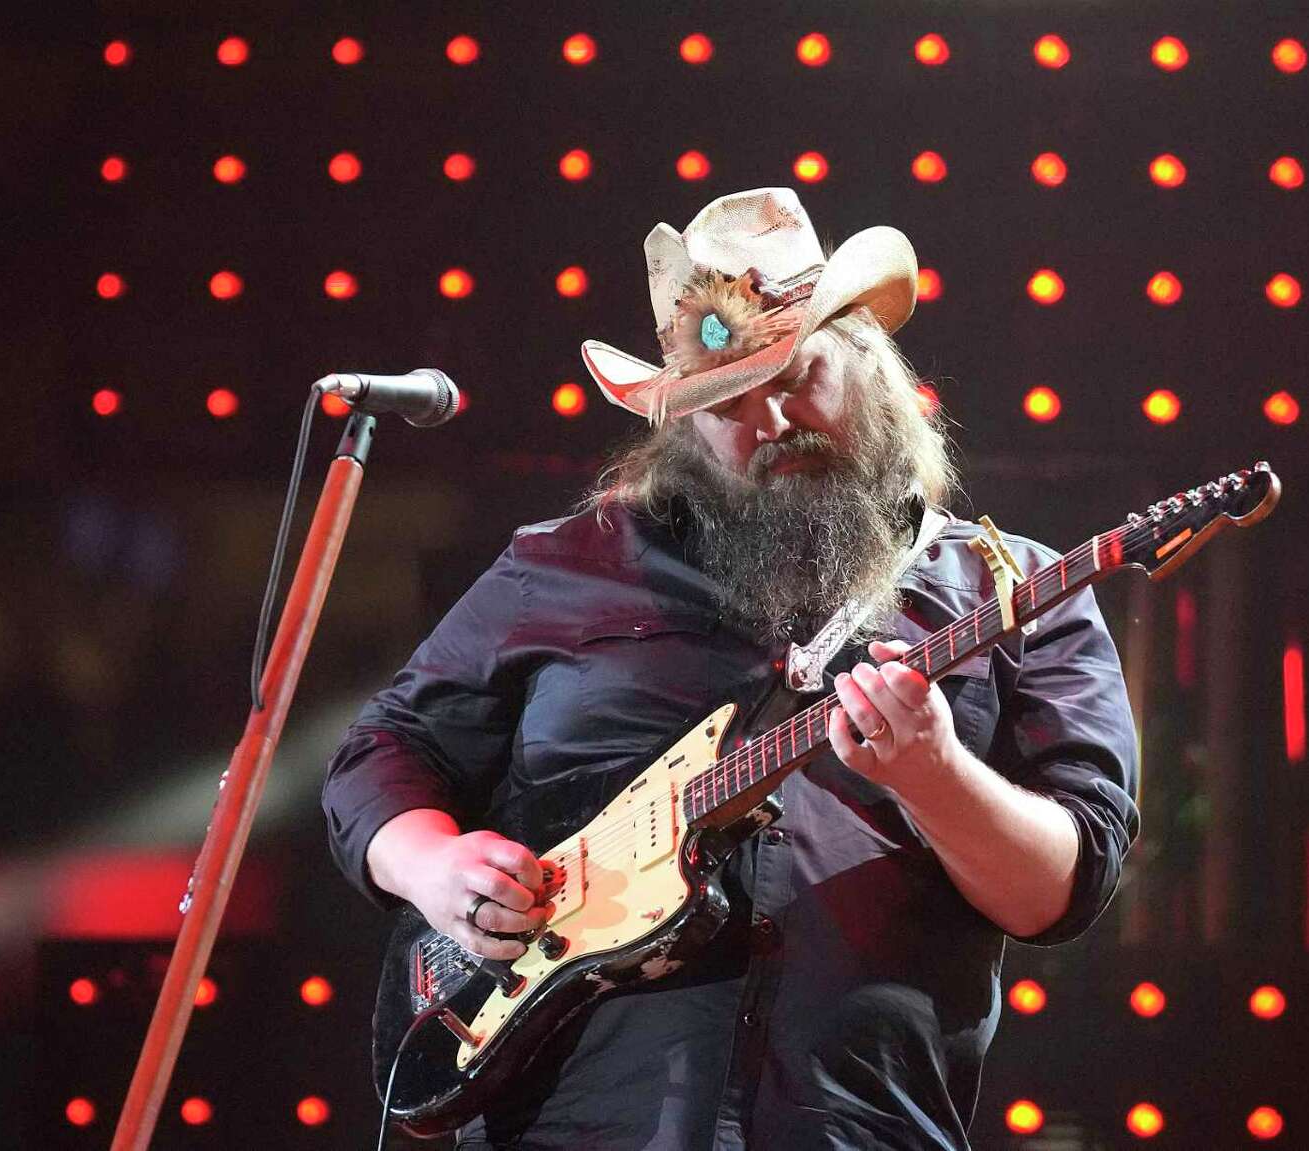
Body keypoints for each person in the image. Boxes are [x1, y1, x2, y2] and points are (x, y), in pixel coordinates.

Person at [322, 188, 1140, 1150]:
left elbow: (1068, 884)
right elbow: (383, 749)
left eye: (800, 375)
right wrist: (432, 861)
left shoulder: (1015, 591)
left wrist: (936, 772)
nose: (773, 417)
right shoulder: (566, 564)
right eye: (728, 401)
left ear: (869, 368)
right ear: (684, 425)